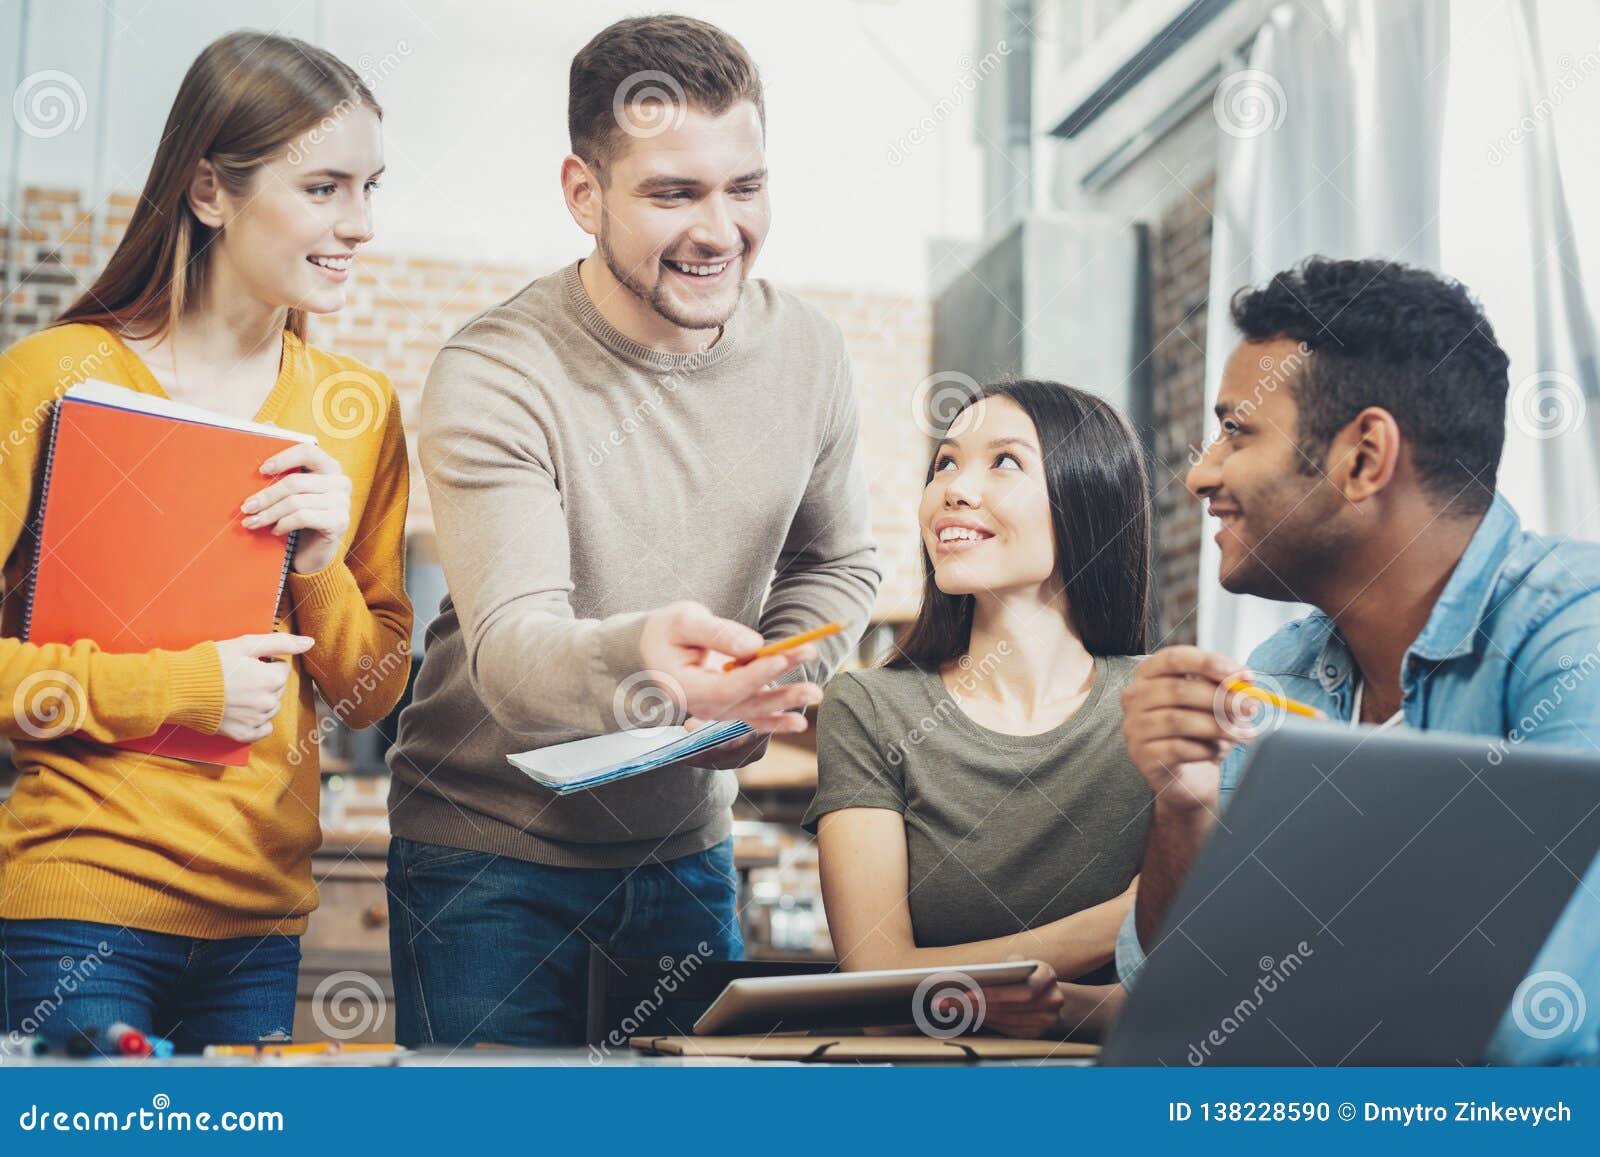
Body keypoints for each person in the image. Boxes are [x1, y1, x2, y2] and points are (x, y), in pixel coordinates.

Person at [385, 14, 880, 1046]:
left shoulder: (811, 354)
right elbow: (516, 654)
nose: (718, 230)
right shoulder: (498, 372)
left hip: (686, 852)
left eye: (743, 188)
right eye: (672, 194)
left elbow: (839, 560)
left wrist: (777, 674)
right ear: (583, 193)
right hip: (485, 862)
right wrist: (650, 665)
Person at [0, 32, 412, 1049]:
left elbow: (375, 689)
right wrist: (180, 686)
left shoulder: (358, 409)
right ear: (209, 192)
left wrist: (319, 568)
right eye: (322, 187)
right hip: (76, 907)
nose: (357, 224)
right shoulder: (57, 379)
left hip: (260, 926)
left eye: (369, 187)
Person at [1117, 256, 1600, 1064]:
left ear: (1364, 457)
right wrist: (1184, 807)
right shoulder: (1288, 667)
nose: (1201, 473)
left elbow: (1540, 1015)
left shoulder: (1571, 632)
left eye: (1237, 430)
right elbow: (1178, 998)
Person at [807, 380, 1152, 1040]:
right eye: (944, 463)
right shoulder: (869, 708)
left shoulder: (1156, 702)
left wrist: (981, 992)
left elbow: (1199, 988)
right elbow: (874, 974)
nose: (953, 490)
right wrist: (1128, 918)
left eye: (1004, 461)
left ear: (1087, 495)